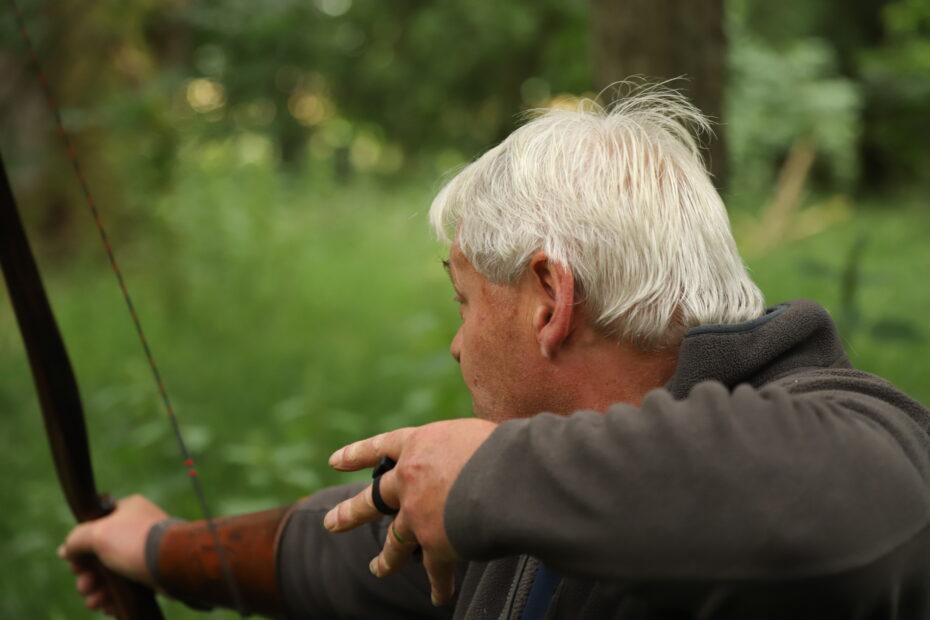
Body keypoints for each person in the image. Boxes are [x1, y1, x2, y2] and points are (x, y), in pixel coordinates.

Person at [60, 86, 930, 619]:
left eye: (464, 300)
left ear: (551, 300)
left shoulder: (857, 431)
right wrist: (158, 547)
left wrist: (482, 478)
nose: (453, 341)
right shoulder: (538, 489)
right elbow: (326, 557)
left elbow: (854, 517)